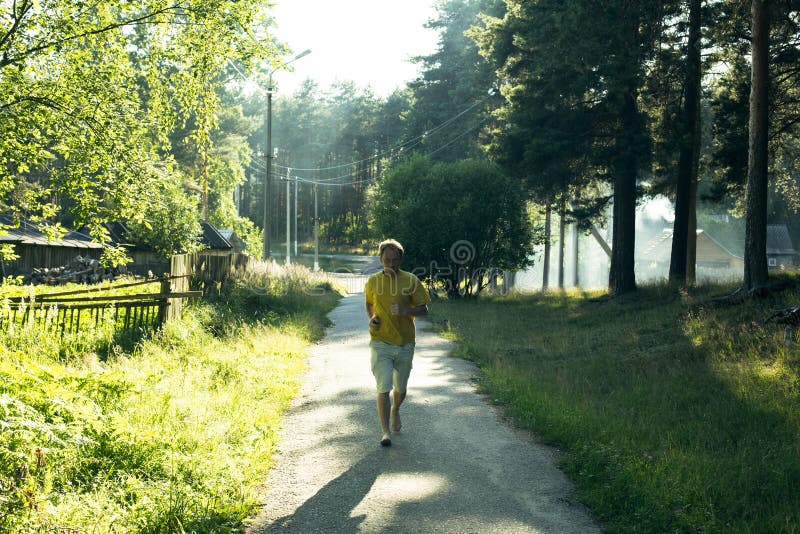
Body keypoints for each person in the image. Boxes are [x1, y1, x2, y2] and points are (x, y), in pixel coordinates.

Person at [365, 239, 430, 447]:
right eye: (387, 260)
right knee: (383, 387)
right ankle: (385, 432)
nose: (390, 264)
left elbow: (424, 309)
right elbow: (369, 303)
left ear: (401, 259)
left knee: (400, 389)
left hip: (404, 342)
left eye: (394, 260)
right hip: (380, 342)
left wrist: (405, 311)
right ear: (380, 259)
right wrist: (372, 319)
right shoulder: (373, 281)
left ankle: (395, 409)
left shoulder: (411, 280)